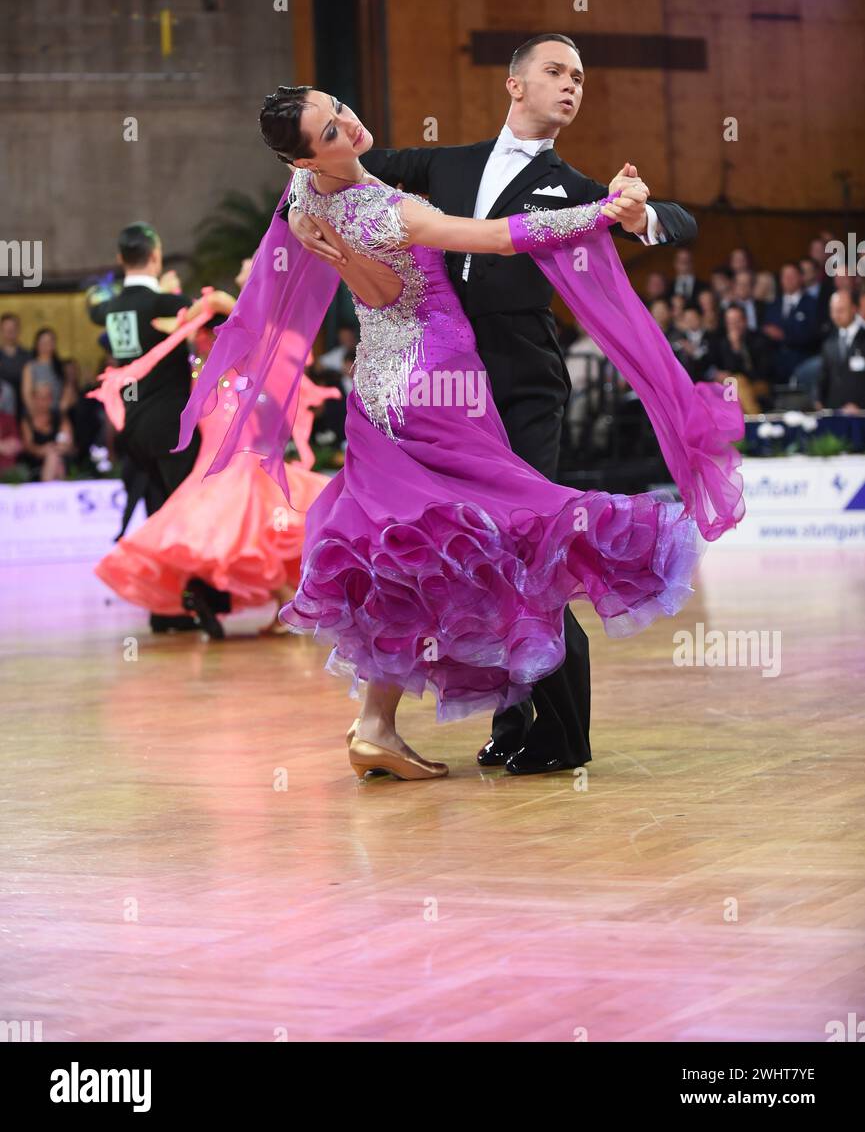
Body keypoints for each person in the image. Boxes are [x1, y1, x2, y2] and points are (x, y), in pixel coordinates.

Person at [174, 84, 744, 782]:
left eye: (341, 109)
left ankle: (376, 724)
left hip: (377, 390)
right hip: (438, 378)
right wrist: (598, 213)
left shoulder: (303, 201)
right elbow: (500, 237)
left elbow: (370, 284)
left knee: (408, 542)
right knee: (508, 515)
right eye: (329, 131)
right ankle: (601, 574)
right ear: (303, 157)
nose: (350, 127)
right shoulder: (388, 209)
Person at [286, 36, 698, 776]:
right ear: (514, 84)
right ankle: (506, 726)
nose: (570, 86)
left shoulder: (571, 184)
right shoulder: (444, 163)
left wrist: (634, 215)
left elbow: (676, 222)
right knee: (467, 552)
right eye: (554, 72)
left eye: (578, 77)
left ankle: (560, 734)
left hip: (516, 381)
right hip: (435, 390)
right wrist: (301, 216)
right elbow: (341, 172)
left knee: (527, 547)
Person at [95, 259, 335, 637]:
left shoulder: (253, 302)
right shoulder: (244, 303)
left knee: (234, 501)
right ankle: (285, 602)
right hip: (217, 413)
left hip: (232, 414)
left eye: (249, 261)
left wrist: (174, 297)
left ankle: (289, 599)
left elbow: (208, 309)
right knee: (238, 503)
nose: (242, 263)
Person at [87, 223, 230, 634]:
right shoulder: (167, 302)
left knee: (155, 514)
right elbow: (212, 313)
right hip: (170, 426)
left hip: (129, 429)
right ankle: (199, 595)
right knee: (185, 512)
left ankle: (165, 608)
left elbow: (94, 303)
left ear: (120, 260)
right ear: (156, 255)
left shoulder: (111, 309)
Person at [761, 262, 820, 385]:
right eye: (784, 276)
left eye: (792, 276)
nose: (788, 280)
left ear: (801, 278)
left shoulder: (812, 304)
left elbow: (813, 335)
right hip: (775, 369)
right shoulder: (772, 306)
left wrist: (784, 336)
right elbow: (766, 333)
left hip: (802, 364)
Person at [819, 292, 865, 412]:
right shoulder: (829, 343)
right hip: (835, 414)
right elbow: (824, 378)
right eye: (833, 310)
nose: (836, 315)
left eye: (841, 310)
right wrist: (818, 401)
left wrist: (861, 407)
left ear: (854, 309)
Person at [19, 381, 74, 480]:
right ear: (34, 399)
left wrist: (56, 448)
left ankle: (48, 490)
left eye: (47, 397)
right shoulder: (27, 420)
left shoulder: (59, 417)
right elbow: (29, 446)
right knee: (55, 459)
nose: (44, 401)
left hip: (58, 455)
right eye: (40, 398)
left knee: (55, 458)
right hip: (36, 460)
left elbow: (67, 442)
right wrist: (42, 450)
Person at [20, 327, 76, 419]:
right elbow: (27, 395)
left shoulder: (61, 366)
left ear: (54, 344)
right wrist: (36, 416)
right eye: (43, 342)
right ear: (37, 344)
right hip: (36, 416)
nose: (46, 345)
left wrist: (61, 410)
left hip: (57, 414)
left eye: (49, 342)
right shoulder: (30, 367)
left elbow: (68, 389)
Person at [0, 313, 32, 421]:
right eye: (6, 329)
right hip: (3, 411)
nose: (9, 332)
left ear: (18, 330)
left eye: (12, 329)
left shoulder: (28, 356)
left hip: (25, 410)